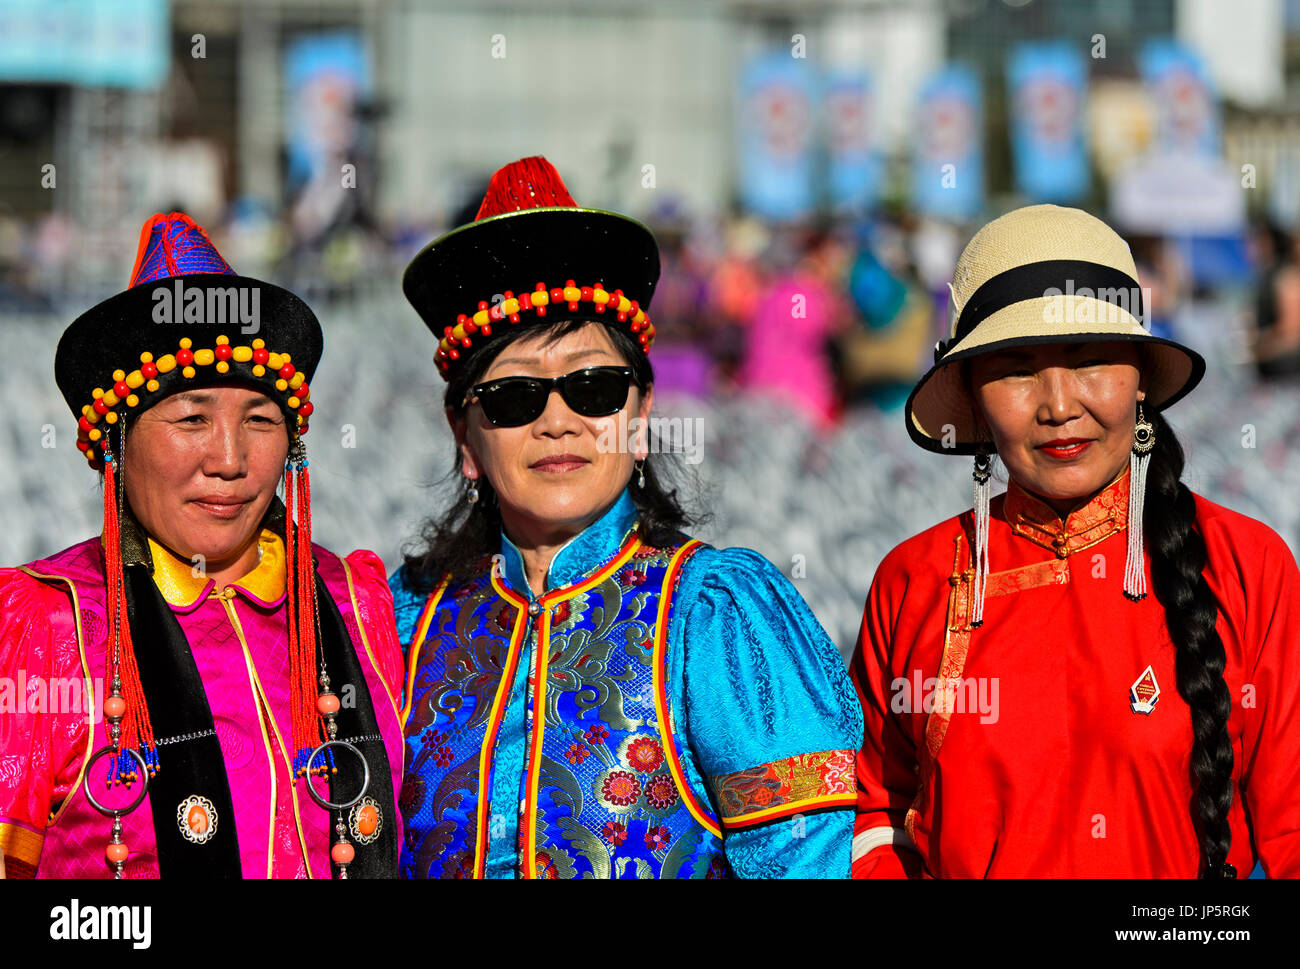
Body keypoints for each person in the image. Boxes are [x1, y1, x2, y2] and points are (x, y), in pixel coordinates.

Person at [393, 156, 862, 879]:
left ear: (640, 417)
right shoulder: (401, 622)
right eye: (515, 397)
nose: (558, 422)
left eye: (593, 388)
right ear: (465, 433)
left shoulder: (713, 619)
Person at [850, 204, 1300, 878]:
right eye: (1017, 368)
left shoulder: (1247, 566)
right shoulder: (915, 580)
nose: (1058, 404)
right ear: (971, 394)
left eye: (1090, 359)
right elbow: (872, 811)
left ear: (1142, 377)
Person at [0, 212, 404, 878]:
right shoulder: (45, 627)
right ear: (118, 445)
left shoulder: (353, 601)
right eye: (192, 418)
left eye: (260, 420)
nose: (229, 459)